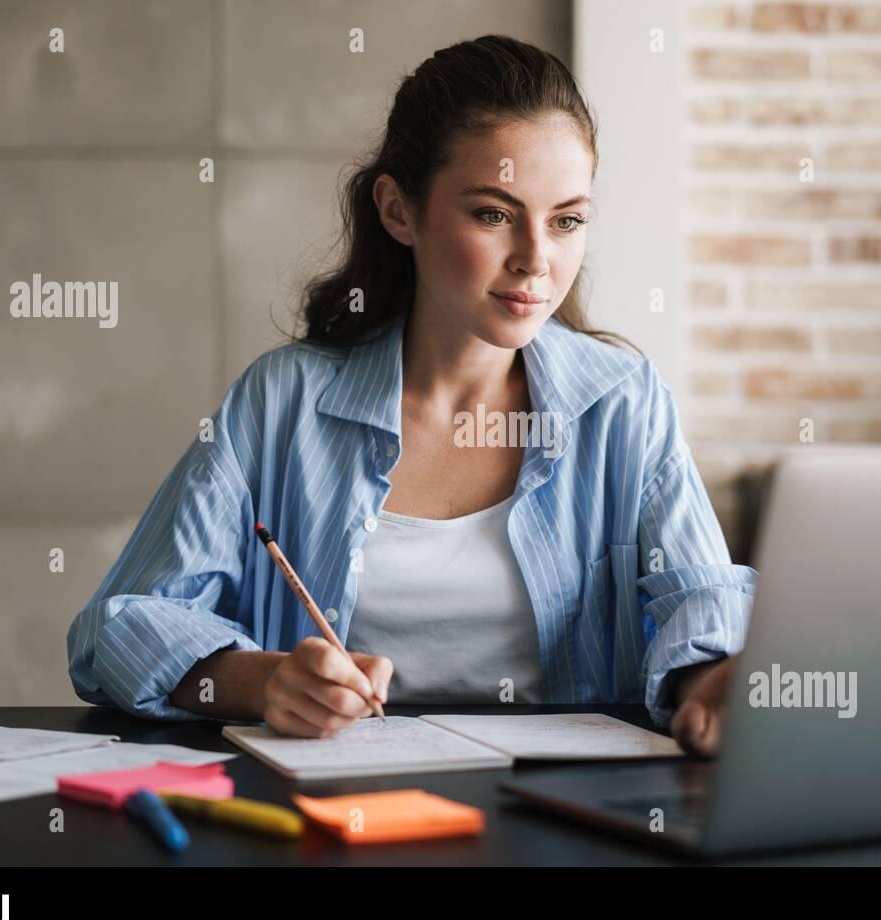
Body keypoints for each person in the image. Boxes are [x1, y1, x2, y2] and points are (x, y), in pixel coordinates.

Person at [66, 35, 757, 757]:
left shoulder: (624, 404)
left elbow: (701, 604)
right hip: (337, 813)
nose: (536, 259)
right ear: (399, 211)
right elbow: (118, 627)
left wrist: (708, 679)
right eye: (493, 213)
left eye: (567, 219)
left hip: (562, 813)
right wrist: (265, 680)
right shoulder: (284, 402)